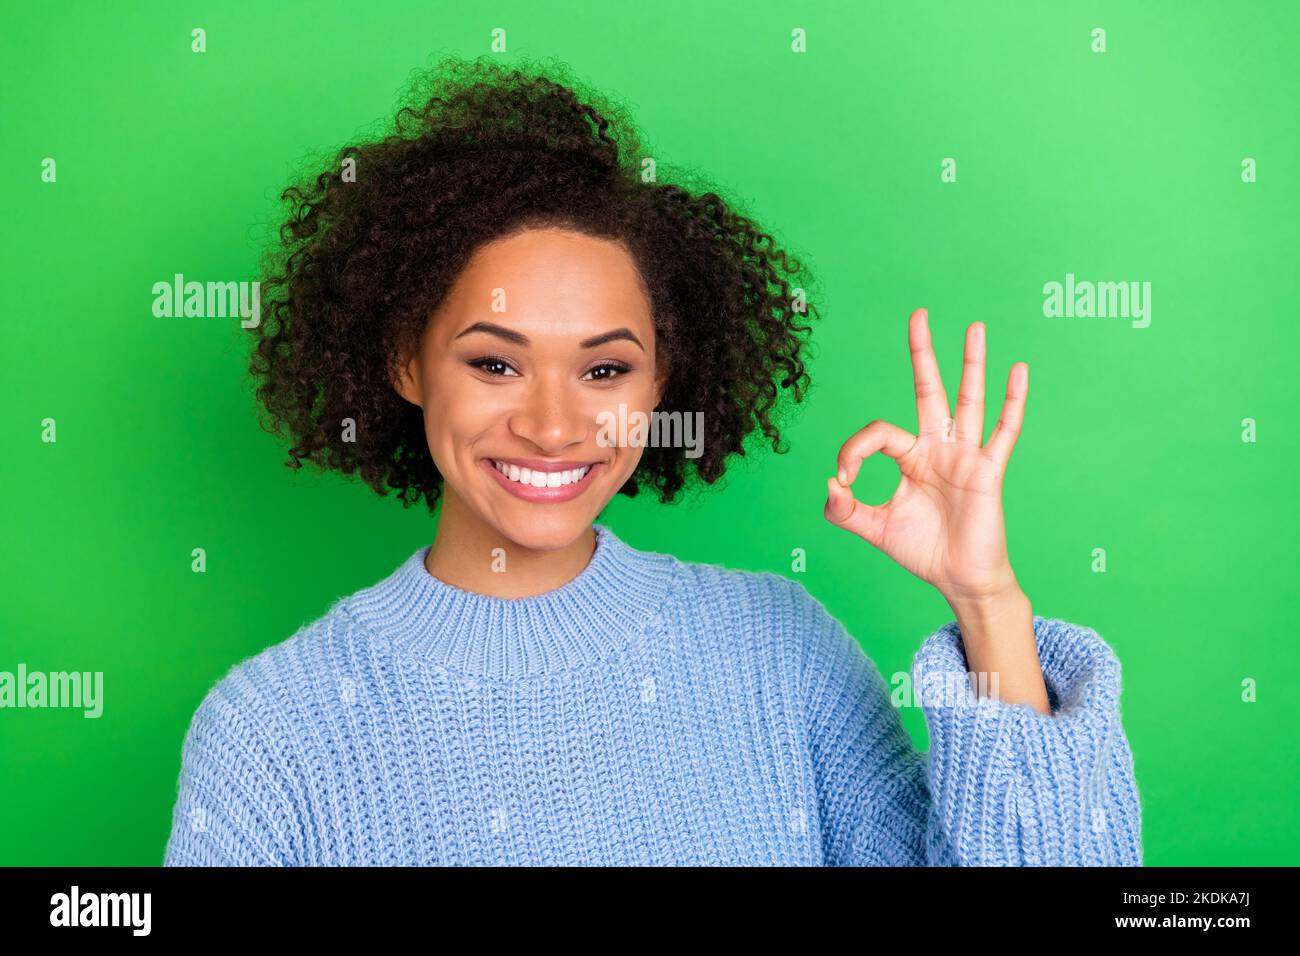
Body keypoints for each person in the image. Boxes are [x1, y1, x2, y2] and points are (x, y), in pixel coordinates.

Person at [163, 57, 1141, 866]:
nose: (553, 425)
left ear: (662, 380)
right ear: (406, 361)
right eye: (495, 360)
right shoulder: (271, 733)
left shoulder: (780, 649)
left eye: (603, 367)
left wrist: (986, 600)